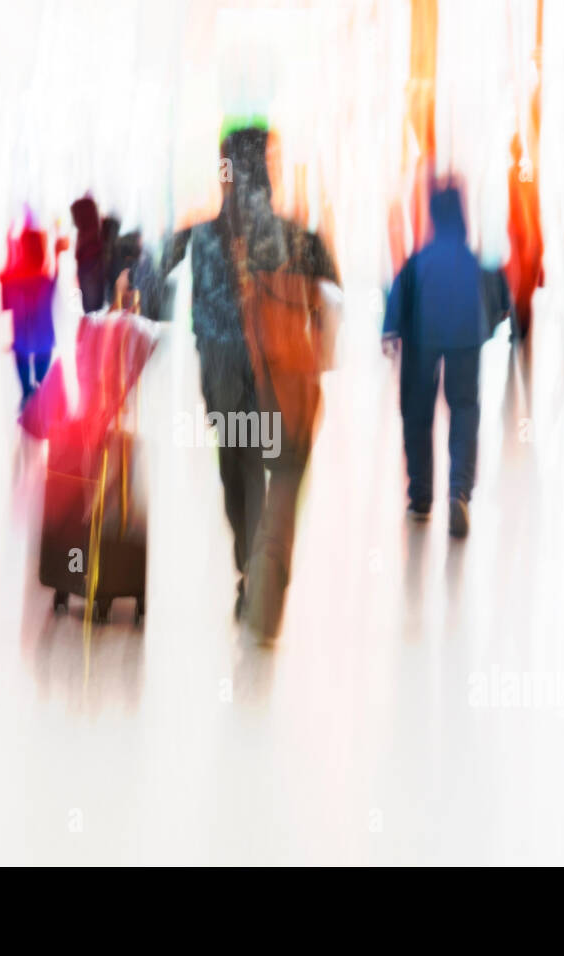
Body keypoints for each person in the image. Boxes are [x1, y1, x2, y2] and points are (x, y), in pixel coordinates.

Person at [144, 123, 340, 641]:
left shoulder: (203, 234)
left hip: (223, 375)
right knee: (274, 475)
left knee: (238, 472)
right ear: (268, 172)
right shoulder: (295, 234)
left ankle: (249, 568)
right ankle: (263, 570)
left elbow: (151, 276)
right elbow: (333, 284)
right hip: (277, 376)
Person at [382, 185, 485, 538]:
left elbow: (399, 291)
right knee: (464, 410)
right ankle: (458, 491)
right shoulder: (471, 261)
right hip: (465, 338)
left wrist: (390, 330)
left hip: (421, 338)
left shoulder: (420, 259)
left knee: (417, 413)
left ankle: (421, 499)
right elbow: (496, 297)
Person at [0, 224, 56, 406]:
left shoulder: (11, 279)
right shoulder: (47, 280)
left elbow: (5, 306)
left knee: (21, 352)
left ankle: (26, 394)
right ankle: (40, 389)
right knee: (43, 353)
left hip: (22, 339)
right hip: (44, 340)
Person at [505, 135, 544, 342]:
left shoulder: (516, 176)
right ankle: (520, 328)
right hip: (524, 238)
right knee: (523, 288)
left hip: (521, 238)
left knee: (520, 286)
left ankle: (519, 328)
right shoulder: (526, 176)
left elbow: (524, 210)